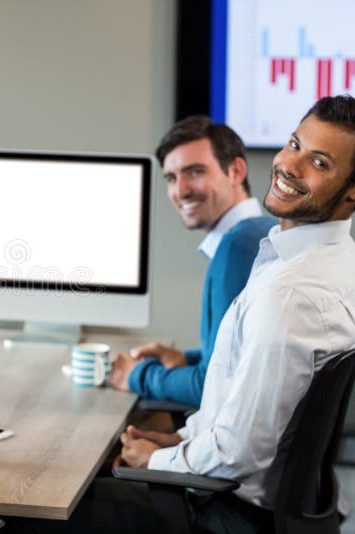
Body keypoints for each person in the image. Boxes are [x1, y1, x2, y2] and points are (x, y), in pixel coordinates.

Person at [113, 95, 355, 532]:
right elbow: (245, 398)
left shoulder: (289, 294)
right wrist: (181, 440)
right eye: (294, 144)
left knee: (37, 509)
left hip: (228, 514)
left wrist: (158, 457)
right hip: (266, 504)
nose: (290, 166)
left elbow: (238, 452)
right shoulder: (322, 262)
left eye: (319, 163)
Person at [108, 116, 274, 406]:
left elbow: (213, 386)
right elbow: (242, 354)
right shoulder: (260, 231)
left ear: (236, 171)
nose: (180, 191)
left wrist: (137, 375)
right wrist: (186, 357)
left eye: (195, 172)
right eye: (171, 178)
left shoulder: (238, 246)